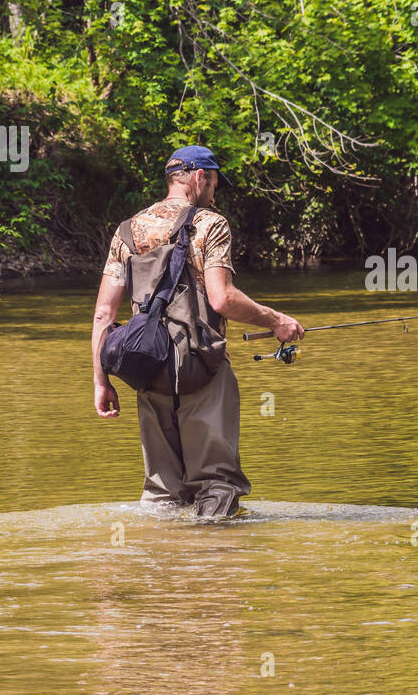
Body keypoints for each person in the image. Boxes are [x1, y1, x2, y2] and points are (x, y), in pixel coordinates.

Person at [89, 145, 304, 517]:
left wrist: (101, 381)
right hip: (201, 364)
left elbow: (103, 315)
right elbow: (222, 300)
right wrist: (276, 320)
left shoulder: (126, 231)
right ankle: (211, 564)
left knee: (161, 492)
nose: (215, 193)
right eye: (215, 183)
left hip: (145, 365)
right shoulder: (210, 224)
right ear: (199, 177)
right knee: (216, 484)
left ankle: (162, 560)